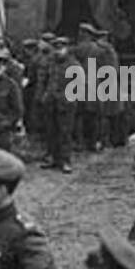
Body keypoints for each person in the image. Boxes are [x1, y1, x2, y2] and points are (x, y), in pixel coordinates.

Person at [40, 35, 78, 173]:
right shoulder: (50, 64)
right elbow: (44, 81)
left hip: (66, 104)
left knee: (65, 133)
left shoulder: (73, 65)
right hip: (51, 103)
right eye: (56, 49)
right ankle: (52, 157)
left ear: (67, 49)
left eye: (61, 48)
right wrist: (44, 96)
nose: (58, 52)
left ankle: (66, 160)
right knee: (51, 132)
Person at [73, 22, 104, 151]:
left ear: (85, 34)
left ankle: (80, 143)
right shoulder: (99, 50)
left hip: (79, 84)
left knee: (78, 115)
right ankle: (92, 143)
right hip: (94, 84)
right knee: (94, 116)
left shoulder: (78, 49)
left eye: (81, 32)